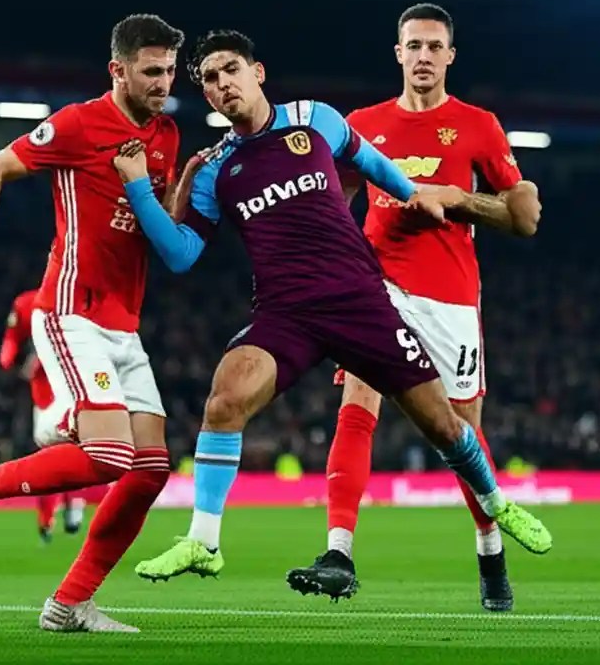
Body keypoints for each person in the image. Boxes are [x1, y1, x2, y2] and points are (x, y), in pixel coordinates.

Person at [115, 29, 553, 584]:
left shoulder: (314, 119)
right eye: (210, 80)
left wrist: (412, 192)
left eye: (232, 71)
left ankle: (497, 506)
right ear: (206, 95)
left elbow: (369, 162)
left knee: (443, 425)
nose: (224, 85)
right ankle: (205, 541)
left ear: (258, 73)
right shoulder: (213, 170)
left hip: (358, 301)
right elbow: (179, 255)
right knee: (225, 398)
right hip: (286, 313)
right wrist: (138, 191)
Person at [0, 14, 185, 632]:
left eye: (169, 70)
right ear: (117, 70)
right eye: (151, 71)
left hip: (125, 324)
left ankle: (69, 604)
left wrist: (187, 184)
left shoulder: (167, 133)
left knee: (149, 470)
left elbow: (155, 221)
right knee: (111, 456)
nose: (163, 82)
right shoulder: (77, 123)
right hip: (71, 312)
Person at [284, 3, 541, 610]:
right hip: (377, 286)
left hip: (451, 295)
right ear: (397, 53)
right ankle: (339, 553)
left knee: (462, 435)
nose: (423, 56)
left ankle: (488, 551)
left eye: (434, 46)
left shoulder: (478, 125)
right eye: (413, 46)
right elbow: (333, 197)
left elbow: (522, 217)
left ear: (450, 55)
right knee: (357, 402)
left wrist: (457, 200)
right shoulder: (362, 124)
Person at [0, 289, 88, 543]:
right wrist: (9, 361)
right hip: (47, 395)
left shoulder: (80, 299)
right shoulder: (27, 304)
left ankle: (66, 509)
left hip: (74, 388)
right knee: (54, 455)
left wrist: (33, 360)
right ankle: (54, 516)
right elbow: (12, 339)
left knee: (67, 452)